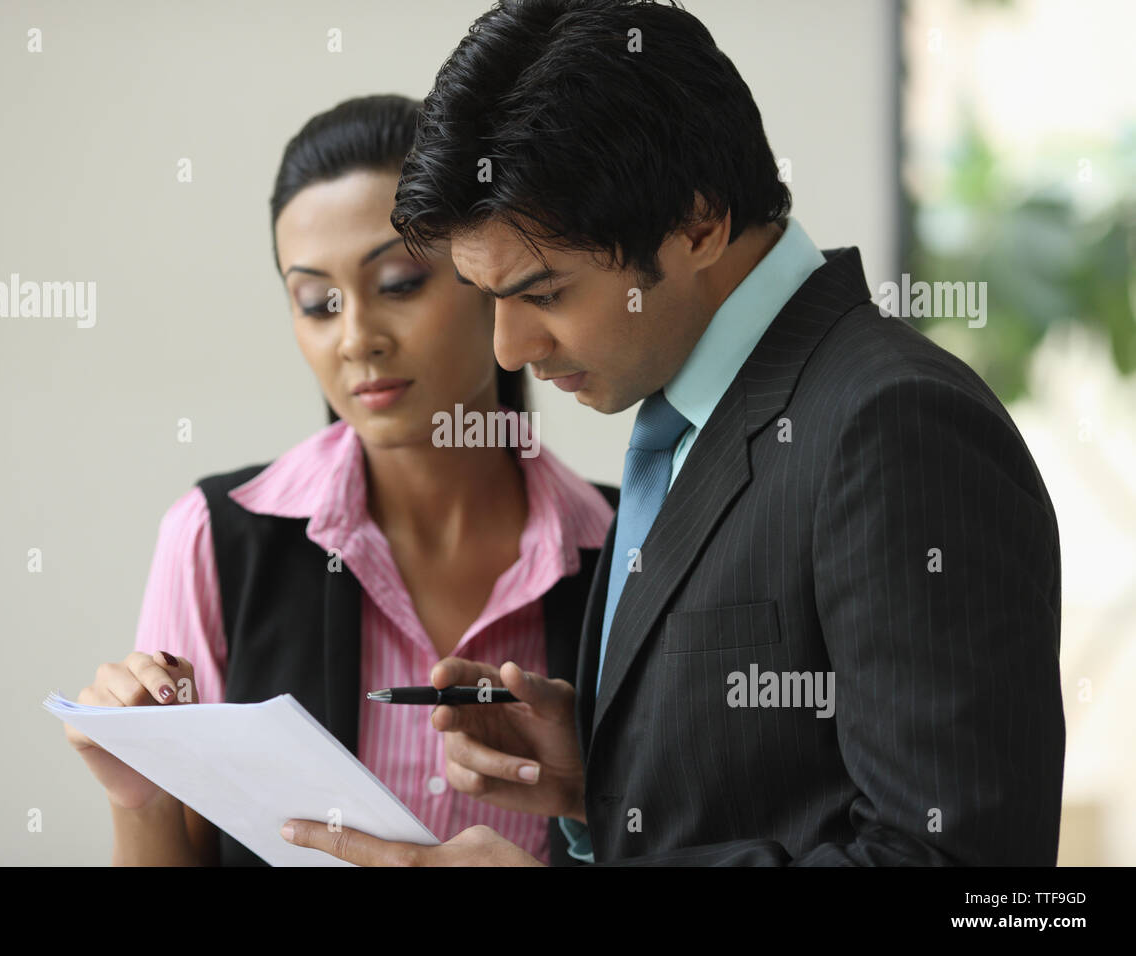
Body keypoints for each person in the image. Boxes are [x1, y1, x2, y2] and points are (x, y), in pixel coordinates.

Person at [279, 0, 1066, 866]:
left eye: (542, 293)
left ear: (698, 222)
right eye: (489, 299)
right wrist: (609, 786)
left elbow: (970, 875)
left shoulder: (894, 425)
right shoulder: (686, 418)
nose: (510, 347)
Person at [63, 93, 617, 866]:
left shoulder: (633, 548)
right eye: (317, 302)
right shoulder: (213, 538)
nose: (357, 338)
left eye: (397, 283)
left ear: (487, 277)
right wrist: (143, 791)